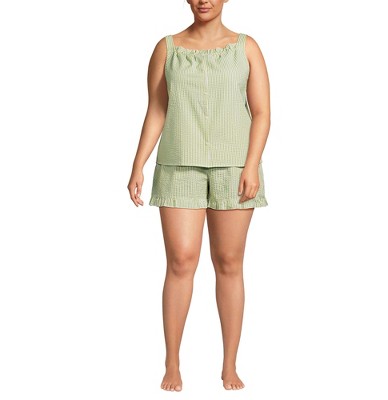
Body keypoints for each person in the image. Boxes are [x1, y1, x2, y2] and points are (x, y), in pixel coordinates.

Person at [127, 0, 271, 392]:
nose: (204, 0)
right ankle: (172, 363)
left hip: (234, 168)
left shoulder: (246, 47)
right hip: (179, 165)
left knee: (229, 262)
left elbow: (261, 112)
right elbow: (157, 109)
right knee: (180, 261)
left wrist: (251, 164)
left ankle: (229, 365)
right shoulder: (167, 48)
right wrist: (138, 164)